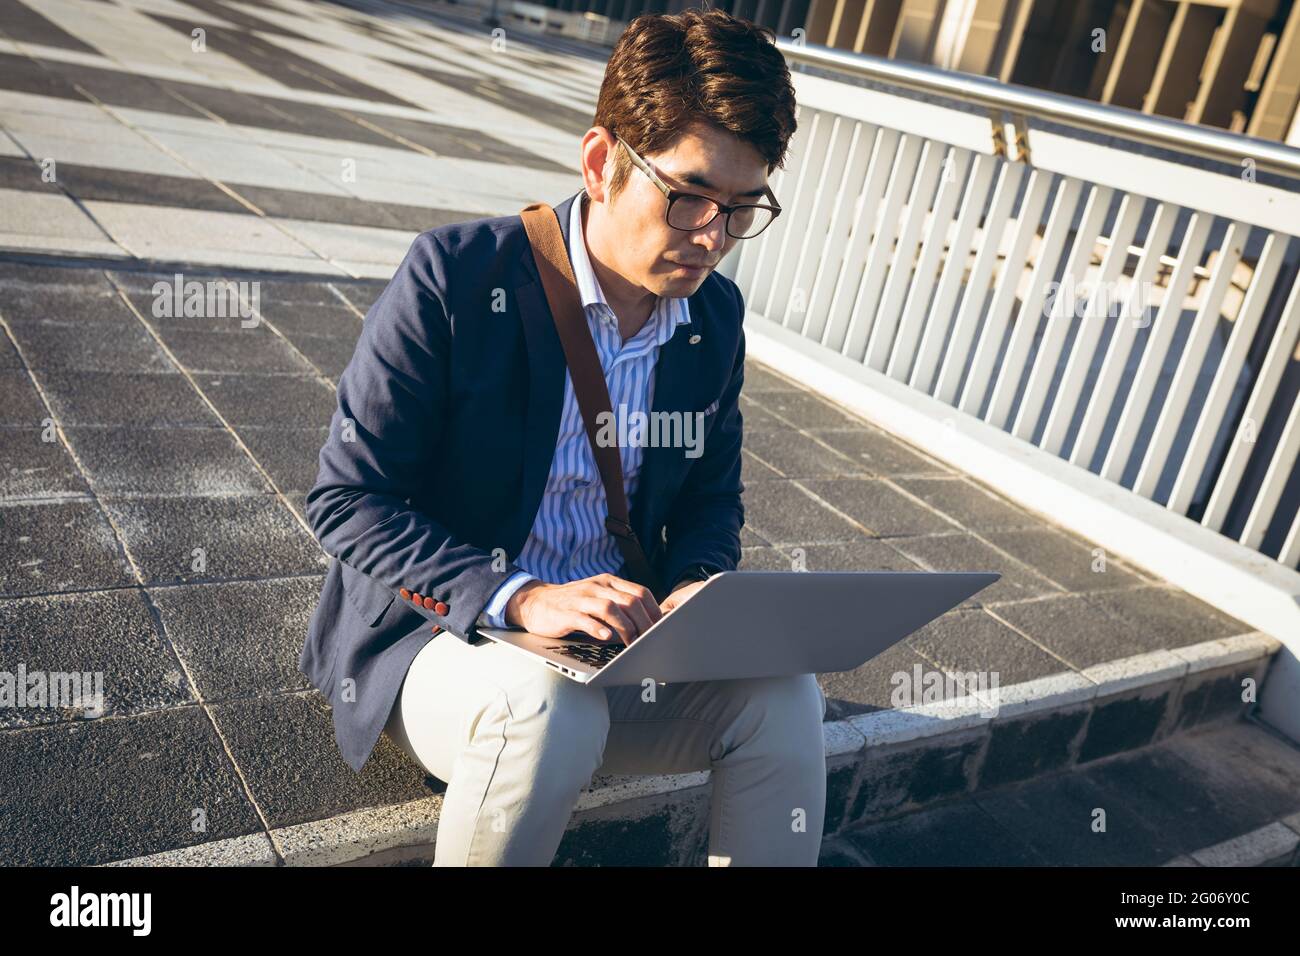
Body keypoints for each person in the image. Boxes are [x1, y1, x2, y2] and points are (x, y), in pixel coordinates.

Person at [299, 8, 826, 866]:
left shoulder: (712, 319)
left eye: (739, 209)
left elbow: (708, 499)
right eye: (688, 195)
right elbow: (347, 502)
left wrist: (700, 586)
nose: (711, 239)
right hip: (443, 642)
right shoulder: (456, 278)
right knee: (549, 710)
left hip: (611, 648)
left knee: (786, 697)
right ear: (599, 163)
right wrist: (522, 598)